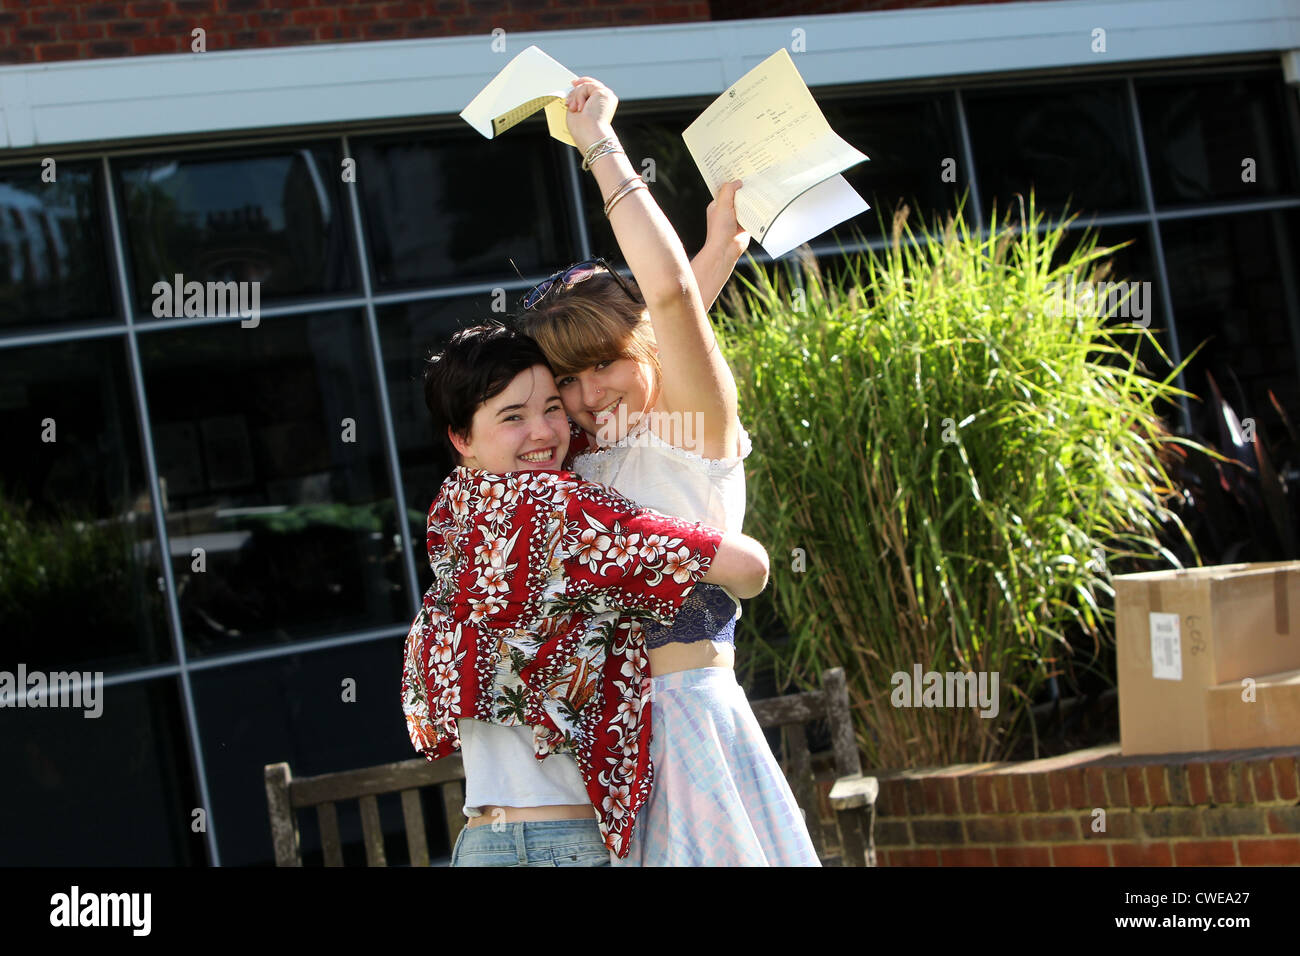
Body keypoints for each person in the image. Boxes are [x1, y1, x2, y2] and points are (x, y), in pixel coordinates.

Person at [516, 75, 821, 865]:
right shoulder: (603, 445)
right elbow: (656, 329)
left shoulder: (697, 433)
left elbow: (671, 304)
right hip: (609, 744)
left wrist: (599, 146)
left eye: (600, 367)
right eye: (566, 383)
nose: (584, 399)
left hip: (685, 726)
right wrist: (721, 247)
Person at [400, 322, 772, 865]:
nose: (544, 431)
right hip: (564, 846)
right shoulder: (562, 511)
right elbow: (747, 567)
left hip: (480, 843)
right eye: (512, 417)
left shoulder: (453, 515)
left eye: (554, 407)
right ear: (461, 437)